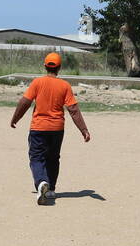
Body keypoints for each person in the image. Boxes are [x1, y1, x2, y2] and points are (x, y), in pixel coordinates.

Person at [10, 52, 91, 204]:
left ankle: (41, 183)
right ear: (59, 68)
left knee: (36, 157)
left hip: (38, 128)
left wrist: (15, 118)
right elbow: (73, 109)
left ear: (45, 66)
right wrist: (84, 130)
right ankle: (51, 189)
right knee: (53, 159)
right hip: (57, 129)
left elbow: (24, 102)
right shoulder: (65, 85)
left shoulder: (37, 83)